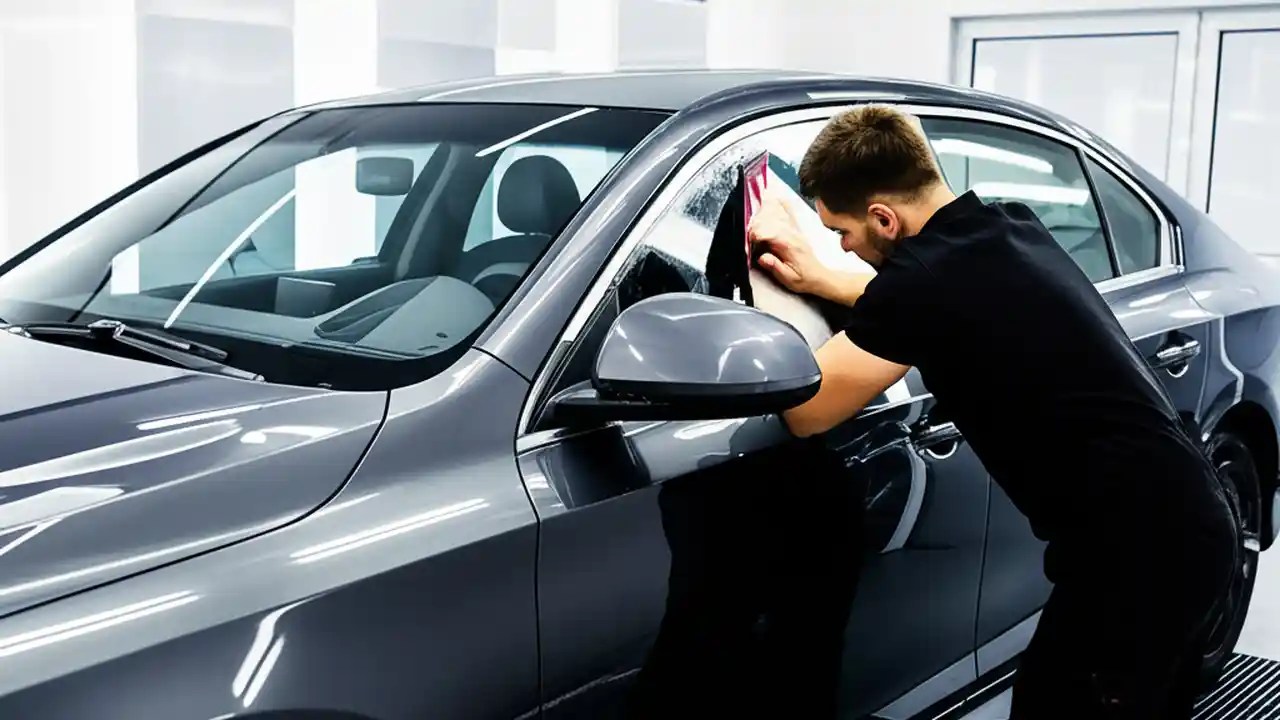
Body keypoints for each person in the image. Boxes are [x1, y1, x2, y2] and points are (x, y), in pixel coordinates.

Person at [747, 104, 1239, 718]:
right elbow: (937, 293)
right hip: (1187, 524)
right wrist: (826, 278)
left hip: (1138, 560)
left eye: (842, 234)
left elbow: (808, 413)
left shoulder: (922, 288)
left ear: (884, 218)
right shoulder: (1007, 227)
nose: (843, 248)